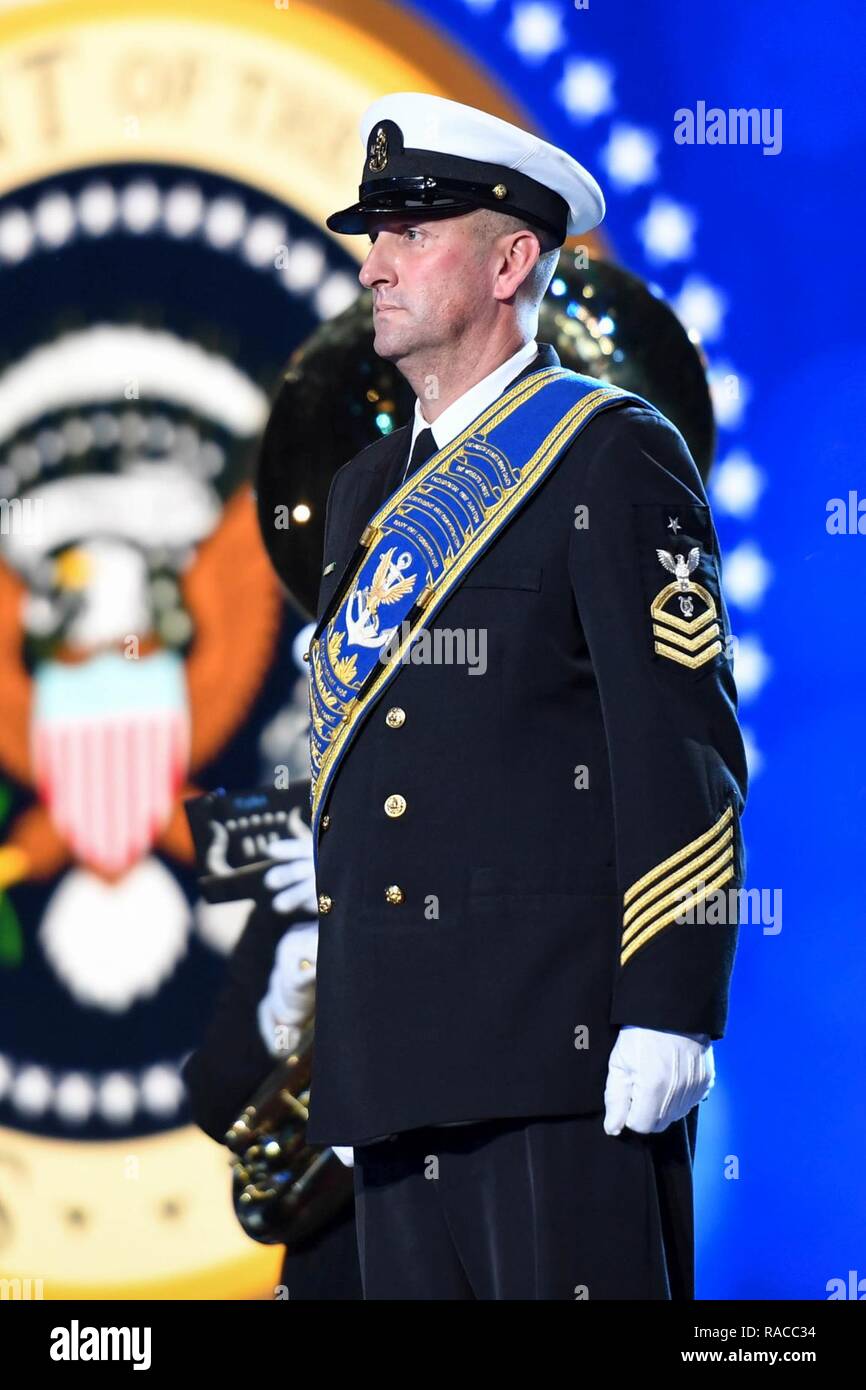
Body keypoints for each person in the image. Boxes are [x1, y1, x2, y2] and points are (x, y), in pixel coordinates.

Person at [296, 91, 748, 1299]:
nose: (374, 262)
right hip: (394, 1077)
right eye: (371, 233)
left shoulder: (609, 451)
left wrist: (670, 1006)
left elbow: (681, 748)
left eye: (411, 231)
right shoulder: (360, 493)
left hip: (560, 1068)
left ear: (510, 261)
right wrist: (352, 1039)